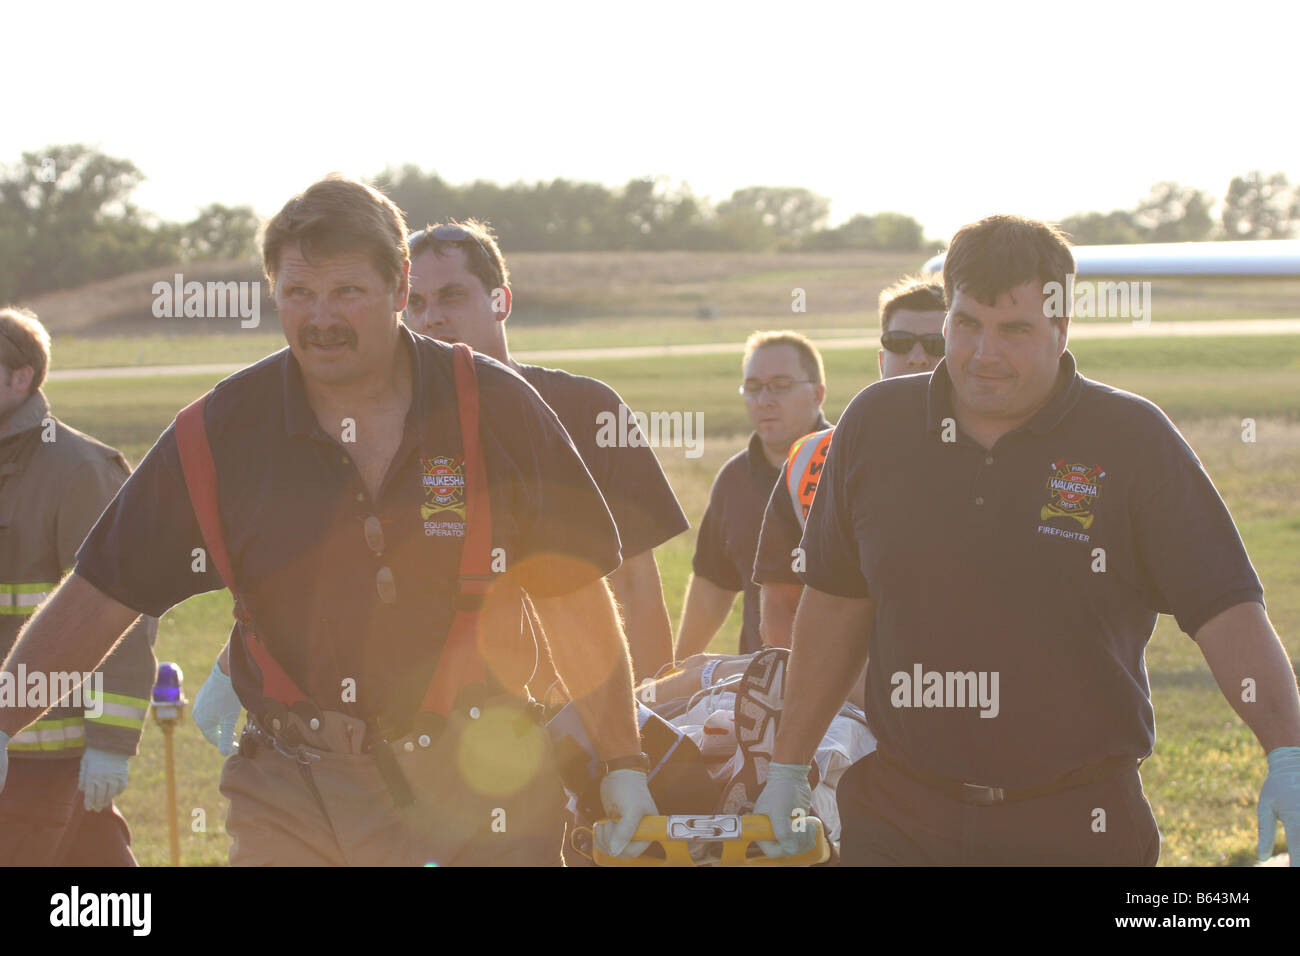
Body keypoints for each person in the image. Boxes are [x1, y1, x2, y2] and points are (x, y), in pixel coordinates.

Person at [0, 176, 658, 866]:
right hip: (294, 789)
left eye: (346, 292)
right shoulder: (219, 434)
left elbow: (572, 597)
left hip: (480, 785)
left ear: (400, 288)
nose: (321, 318)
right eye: (299, 295)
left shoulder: (498, 410)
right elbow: (103, 593)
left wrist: (623, 764)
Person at [754, 214, 1300, 865]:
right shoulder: (876, 426)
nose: (984, 353)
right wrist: (787, 767)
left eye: (1014, 330)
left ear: (1062, 328)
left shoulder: (1132, 440)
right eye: (968, 324)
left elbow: (1226, 609)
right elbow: (836, 603)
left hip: (1076, 821)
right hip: (901, 814)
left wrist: (1286, 752)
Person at [401, 219, 688, 682]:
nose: (431, 316)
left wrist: (646, 713)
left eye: (451, 295)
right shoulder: (396, 426)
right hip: (456, 717)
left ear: (501, 301)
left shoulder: (591, 407)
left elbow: (637, 585)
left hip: (593, 702)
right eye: (415, 302)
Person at [0, 306, 157, 866]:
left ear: (21, 378)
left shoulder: (81, 470)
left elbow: (123, 610)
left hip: (51, 759)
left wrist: (110, 747)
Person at [753, 277, 946, 653]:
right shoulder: (810, 458)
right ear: (881, 359)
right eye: (900, 343)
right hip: (839, 697)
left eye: (937, 345)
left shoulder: (1000, 455)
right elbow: (778, 608)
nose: (918, 356)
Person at [675, 331, 830, 660]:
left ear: (818, 394)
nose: (765, 399)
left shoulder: (848, 467)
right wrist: (674, 667)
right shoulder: (734, 480)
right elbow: (712, 587)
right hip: (760, 685)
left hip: (850, 687)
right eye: (754, 387)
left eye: (781, 385)